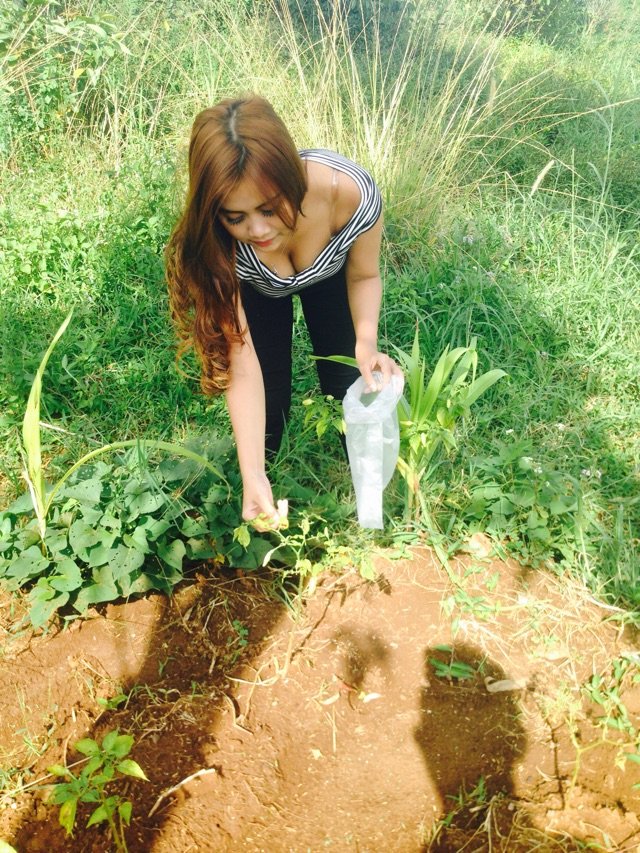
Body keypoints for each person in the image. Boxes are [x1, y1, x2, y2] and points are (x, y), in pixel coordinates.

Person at [166, 95, 402, 528]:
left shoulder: (349, 194)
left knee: (346, 377)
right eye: (235, 216)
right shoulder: (218, 243)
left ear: (292, 179)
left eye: (270, 209)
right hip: (257, 284)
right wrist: (252, 473)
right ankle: (263, 482)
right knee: (269, 395)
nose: (257, 230)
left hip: (329, 273)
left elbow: (364, 276)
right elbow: (241, 360)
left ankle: (362, 487)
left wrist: (365, 343)